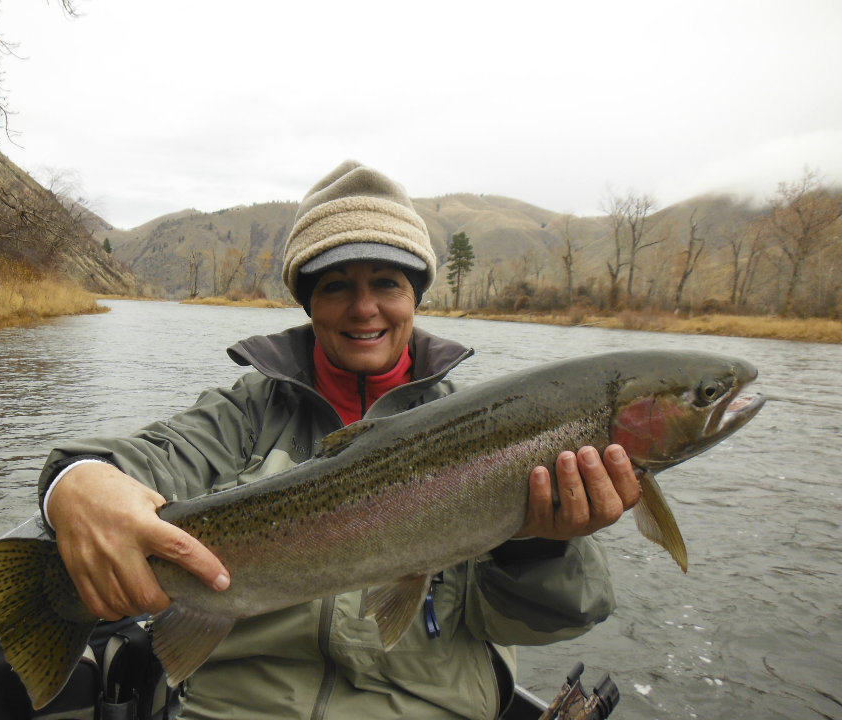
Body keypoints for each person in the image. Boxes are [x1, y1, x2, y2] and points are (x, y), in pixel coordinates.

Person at [39, 160, 640, 719]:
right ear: (308, 303)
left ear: (414, 298)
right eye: (335, 286)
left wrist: (533, 543)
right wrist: (78, 480)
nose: (364, 308)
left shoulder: (492, 430)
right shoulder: (246, 413)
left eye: (387, 282)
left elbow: (556, 617)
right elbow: (151, 457)